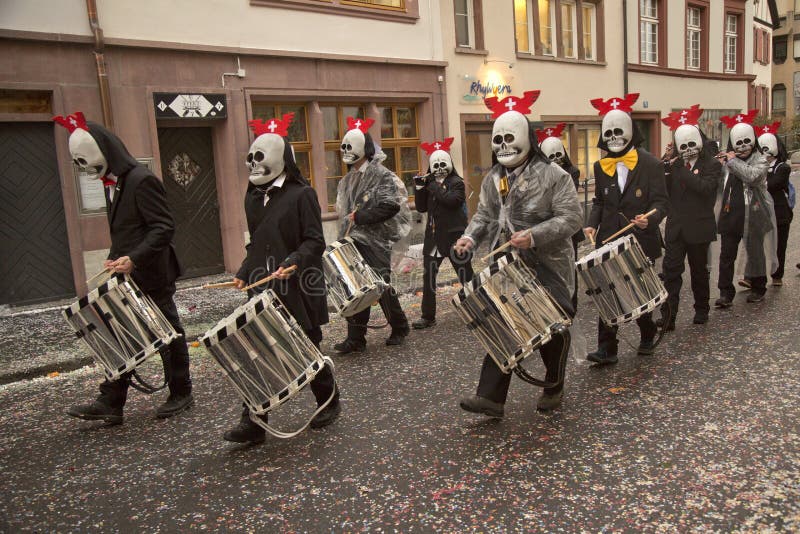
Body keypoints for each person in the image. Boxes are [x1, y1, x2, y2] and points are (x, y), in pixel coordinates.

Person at [56, 112, 193, 425]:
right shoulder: (113, 183)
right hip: (127, 274)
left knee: (169, 334)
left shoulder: (141, 180)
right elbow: (127, 231)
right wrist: (116, 257)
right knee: (118, 334)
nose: (84, 171)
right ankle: (111, 400)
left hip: (153, 272)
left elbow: (163, 227)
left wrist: (135, 257)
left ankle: (182, 391)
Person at [454, 90, 583, 415]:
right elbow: (483, 215)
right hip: (507, 268)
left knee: (551, 330)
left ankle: (554, 385)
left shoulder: (556, 176)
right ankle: (491, 397)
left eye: (510, 138)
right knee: (503, 323)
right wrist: (469, 237)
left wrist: (535, 235)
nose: (503, 146)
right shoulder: (492, 178)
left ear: (527, 138)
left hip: (549, 269)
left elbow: (572, 218)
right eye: (497, 140)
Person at [224, 114, 340, 444]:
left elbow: (315, 241)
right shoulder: (252, 196)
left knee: (306, 349)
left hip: (297, 284)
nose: (252, 165)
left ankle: (329, 399)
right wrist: (245, 272)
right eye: (250, 158)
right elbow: (257, 242)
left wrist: (293, 261)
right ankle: (253, 421)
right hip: (263, 285)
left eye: (259, 157)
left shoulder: (302, 194)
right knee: (257, 351)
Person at [583, 93, 668, 365]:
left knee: (638, 288)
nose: (613, 138)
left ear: (630, 133)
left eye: (618, 132)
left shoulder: (652, 164)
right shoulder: (600, 166)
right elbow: (599, 201)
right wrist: (590, 224)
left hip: (640, 238)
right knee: (606, 291)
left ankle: (646, 335)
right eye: (608, 133)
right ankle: (607, 349)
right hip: (608, 237)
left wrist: (650, 219)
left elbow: (661, 202)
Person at [333, 117, 411, 353]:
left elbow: (391, 205)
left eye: (350, 146)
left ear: (362, 148)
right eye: (343, 147)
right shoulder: (347, 180)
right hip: (352, 241)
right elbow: (344, 211)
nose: (346, 151)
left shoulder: (381, 174)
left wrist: (362, 217)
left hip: (376, 241)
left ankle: (399, 326)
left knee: (380, 285)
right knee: (357, 287)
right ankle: (356, 338)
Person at [657, 106, 721, 329]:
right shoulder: (673, 165)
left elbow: (705, 189)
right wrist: (665, 166)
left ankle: (701, 309)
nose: (686, 150)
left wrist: (681, 169)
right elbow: (662, 191)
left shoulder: (712, 164)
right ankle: (668, 316)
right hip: (676, 227)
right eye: (681, 146)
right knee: (671, 272)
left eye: (690, 145)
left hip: (699, 227)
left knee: (698, 272)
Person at [715, 110, 777, 307]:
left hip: (754, 214)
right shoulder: (727, 160)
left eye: (746, 141)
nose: (742, 147)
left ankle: (759, 287)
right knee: (726, 256)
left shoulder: (761, 159)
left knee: (755, 253)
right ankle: (725, 293)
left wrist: (733, 161)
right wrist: (717, 166)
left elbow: (752, 176)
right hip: (729, 214)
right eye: (738, 143)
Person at [412, 137, 473, 329]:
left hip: (455, 238)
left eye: (442, 164)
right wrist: (419, 189)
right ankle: (427, 316)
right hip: (434, 239)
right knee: (428, 277)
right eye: (435, 165)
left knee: (466, 275)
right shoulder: (430, 184)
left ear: (449, 164)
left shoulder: (457, 182)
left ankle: (479, 308)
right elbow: (421, 208)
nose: (438, 169)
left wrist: (432, 185)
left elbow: (452, 201)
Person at [537, 123, 585, 311]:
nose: (557, 160)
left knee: (568, 267)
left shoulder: (570, 173)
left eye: (559, 155)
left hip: (566, 229)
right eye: (551, 157)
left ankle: (571, 305)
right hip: (546, 230)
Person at [756, 122, 793, 286]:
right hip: (761, 211)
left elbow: (774, 184)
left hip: (780, 212)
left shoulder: (782, 167)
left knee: (780, 244)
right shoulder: (757, 166)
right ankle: (754, 277)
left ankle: (777, 274)